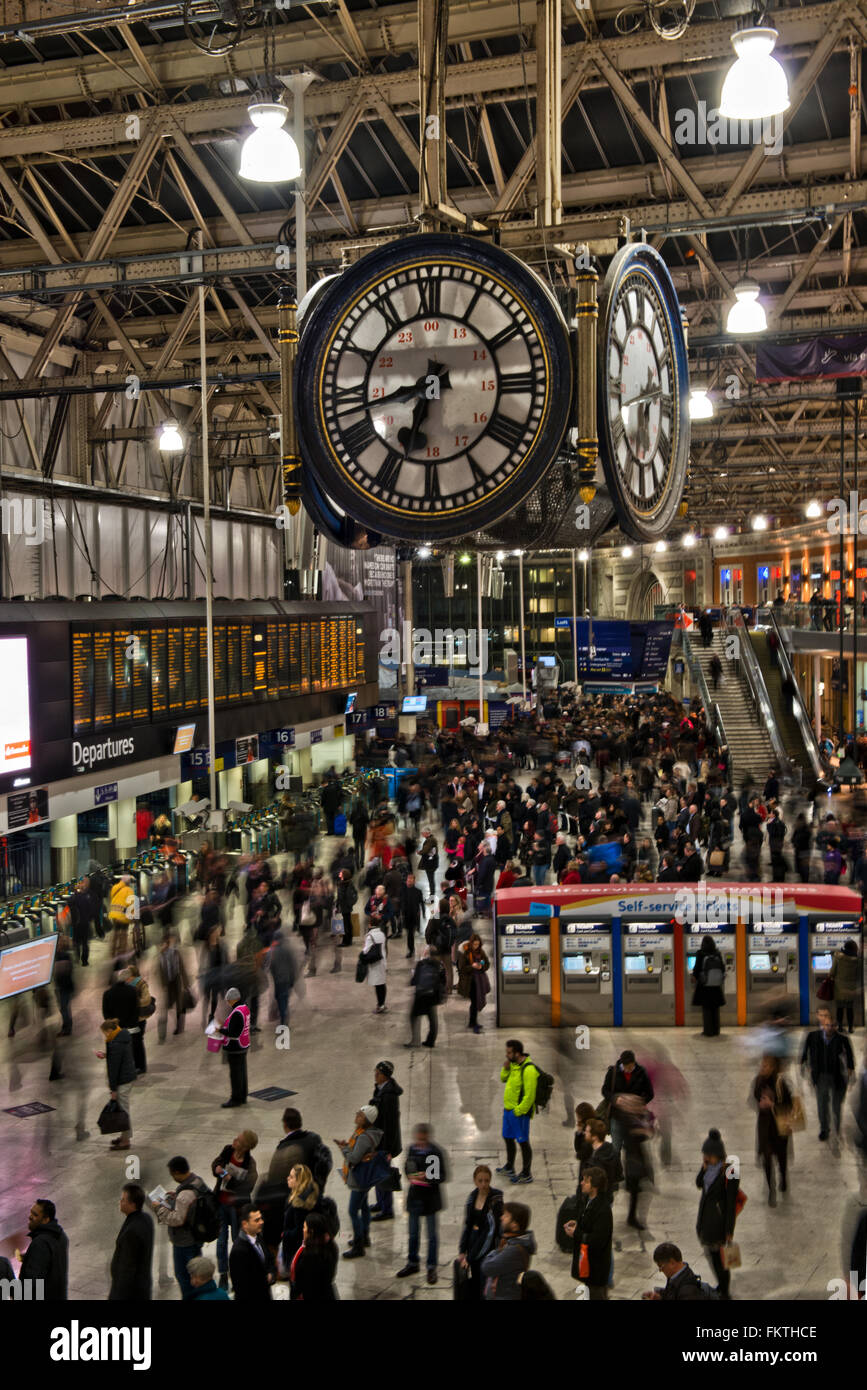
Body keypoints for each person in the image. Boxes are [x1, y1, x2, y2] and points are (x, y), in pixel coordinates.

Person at [397, 1122, 449, 1284]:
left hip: (430, 1199)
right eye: (417, 1138)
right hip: (415, 1198)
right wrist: (412, 1176)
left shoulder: (435, 1152)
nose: (419, 1141)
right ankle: (413, 1263)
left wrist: (427, 1177)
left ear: (427, 1137)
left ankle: (431, 1267)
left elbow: (442, 1176)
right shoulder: (412, 1150)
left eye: (422, 1138)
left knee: (431, 1235)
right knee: (413, 1233)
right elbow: (407, 1168)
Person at [151, 1156, 210, 1301]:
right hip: (197, 1236)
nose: (173, 1177)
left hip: (184, 1242)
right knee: (197, 1273)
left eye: (172, 1174)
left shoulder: (185, 1194)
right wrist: (175, 1196)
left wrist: (159, 1208)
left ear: (177, 1172)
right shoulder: (197, 1181)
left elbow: (177, 1219)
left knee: (185, 1277)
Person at [211, 1129, 259, 1290]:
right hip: (221, 1205)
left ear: (244, 1146)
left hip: (236, 1209)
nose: (234, 1140)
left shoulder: (250, 1164)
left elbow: (247, 1187)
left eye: (238, 1140)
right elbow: (216, 1162)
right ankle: (223, 1275)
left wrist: (230, 1180)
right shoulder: (227, 1150)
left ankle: (237, 1274)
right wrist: (217, 1168)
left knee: (236, 1242)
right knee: (221, 1242)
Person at [800, 1005, 855, 1141]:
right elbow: (805, 1052)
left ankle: (836, 1127)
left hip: (837, 1077)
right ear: (822, 1025)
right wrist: (805, 1064)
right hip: (821, 1076)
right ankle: (824, 1128)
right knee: (822, 1104)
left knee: (836, 1106)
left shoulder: (842, 1039)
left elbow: (850, 1056)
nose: (829, 1027)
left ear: (836, 1026)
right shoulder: (813, 1036)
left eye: (832, 1025)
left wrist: (850, 1070)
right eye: (826, 1024)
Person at [696, 1129, 739, 1300]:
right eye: (705, 1154)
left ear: (718, 1155)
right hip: (706, 1218)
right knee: (714, 1258)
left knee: (721, 1261)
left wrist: (729, 1230)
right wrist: (704, 1168)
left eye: (709, 1155)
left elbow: (731, 1203)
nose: (706, 1158)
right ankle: (721, 1285)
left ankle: (725, 1291)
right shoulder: (708, 1167)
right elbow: (699, 1184)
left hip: (719, 1222)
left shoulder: (731, 1171)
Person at [336, 1104, 383, 1260]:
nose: (357, 1116)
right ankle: (365, 1237)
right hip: (366, 1177)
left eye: (361, 1115)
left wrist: (344, 1149)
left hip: (359, 1179)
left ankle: (358, 1246)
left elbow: (354, 1158)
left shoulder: (363, 1137)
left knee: (352, 1211)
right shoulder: (368, 1133)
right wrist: (348, 1148)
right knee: (363, 1207)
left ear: (367, 1120)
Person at [564, 1167, 613, 1300]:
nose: (581, 1183)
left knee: (596, 1294)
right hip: (588, 1261)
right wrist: (577, 1224)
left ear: (594, 1186)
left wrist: (576, 1233)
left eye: (585, 1181)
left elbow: (597, 1240)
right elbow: (588, 1223)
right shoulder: (588, 1200)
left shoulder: (602, 1209)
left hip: (596, 1265)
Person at [280, 1164, 339, 1273]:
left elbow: (299, 1231)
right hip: (313, 1249)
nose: (288, 1178)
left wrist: (285, 1235)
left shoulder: (299, 1205)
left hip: (298, 1249)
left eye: (291, 1176)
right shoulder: (314, 1196)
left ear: (299, 1181)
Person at [457, 1165, 504, 1300]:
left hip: (488, 1249)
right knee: (476, 1281)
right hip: (473, 1244)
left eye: (486, 1181)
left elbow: (490, 1231)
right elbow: (467, 1224)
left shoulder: (496, 1198)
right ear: (474, 1181)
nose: (483, 1184)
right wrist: (462, 1249)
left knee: (486, 1285)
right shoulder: (472, 1197)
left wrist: (470, 1256)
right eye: (480, 1181)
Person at [751, 1055, 792, 1206]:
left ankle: (783, 1178)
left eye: (766, 1066)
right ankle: (771, 1190)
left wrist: (772, 1105)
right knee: (767, 1158)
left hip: (779, 1128)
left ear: (773, 1067)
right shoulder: (758, 1081)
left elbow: (789, 1105)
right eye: (762, 1066)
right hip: (764, 1127)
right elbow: (755, 1097)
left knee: (781, 1158)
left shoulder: (781, 1083)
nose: (763, 1069)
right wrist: (760, 1102)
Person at [497, 1039, 539, 1185]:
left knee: (523, 1142)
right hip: (508, 1110)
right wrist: (506, 1068)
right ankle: (510, 1166)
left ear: (517, 1053)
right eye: (507, 1052)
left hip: (519, 1114)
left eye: (509, 1052)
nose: (507, 1055)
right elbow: (503, 1079)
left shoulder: (529, 1070)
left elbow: (530, 1096)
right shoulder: (513, 1065)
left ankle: (526, 1173)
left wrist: (518, 1111)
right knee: (507, 1137)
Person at [601, 1049, 654, 1160]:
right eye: (626, 1068)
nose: (628, 1070)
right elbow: (605, 1090)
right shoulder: (613, 1072)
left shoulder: (641, 1073)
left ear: (634, 1063)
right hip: (617, 1115)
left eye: (630, 1067)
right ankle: (616, 1172)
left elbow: (650, 1093)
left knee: (633, 1148)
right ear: (622, 1064)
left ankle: (632, 1173)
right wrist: (615, 1099)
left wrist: (638, 1102)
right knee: (616, 1147)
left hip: (634, 1117)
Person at [481, 1202, 536, 1300]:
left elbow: (487, 1267)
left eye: (506, 1216)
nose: (501, 1218)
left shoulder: (514, 1250)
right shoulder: (512, 1241)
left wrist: (495, 1252)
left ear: (514, 1225)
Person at [370, 1060, 403, 1223]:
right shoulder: (380, 1089)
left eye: (377, 1073)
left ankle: (387, 1209)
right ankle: (380, 1203)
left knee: (383, 1174)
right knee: (378, 1173)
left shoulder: (389, 1095)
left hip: (384, 1144)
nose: (375, 1076)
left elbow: (390, 1125)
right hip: (378, 1140)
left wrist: (388, 1150)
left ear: (385, 1076)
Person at [108, 1183, 154, 1301]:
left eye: (123, 1200)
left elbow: (127, 1268)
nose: (120, 1202)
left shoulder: (132, 1231)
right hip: (142, 1287)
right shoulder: (146, 1219)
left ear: (132, 1204)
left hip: (130, 1293)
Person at [96, 1017, 136, 1151]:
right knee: (123, 1109)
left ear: (109, 1030)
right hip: (127, 1076)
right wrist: (107, 1055)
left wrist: (113, 1090)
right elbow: (118, 1057)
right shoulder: (121, 1036)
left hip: (122, 1080)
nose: (105, 1036)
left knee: (123, 1111)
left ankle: (125, 1141)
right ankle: (124, 1136)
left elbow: (114, 1069)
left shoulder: (116, 1043)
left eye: (105, 1033)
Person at [19, 1198, 68, 1301]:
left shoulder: (40, 1243)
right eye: (31, 1213)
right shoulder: (61, 1235)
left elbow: (31, 1282)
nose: (30, 1217)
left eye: (35, 1215)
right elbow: (51, 1261)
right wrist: (29, 1258)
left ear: (46, 1219)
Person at [289, 1211, 339, 1301]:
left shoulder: (310, 1256)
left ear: (311, 1232)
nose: (303, 1230)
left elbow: (305, 1284)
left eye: (304, 1227)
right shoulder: (329, 1246)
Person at [229, 1204, 273, 1300]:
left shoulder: (259, 1238)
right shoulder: (239, 1251)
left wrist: (270, 1272)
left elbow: (268, 1259)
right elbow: (241, 1285)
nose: (261, 1222)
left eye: (261, 1218)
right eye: (256, 1220)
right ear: (245, 1224)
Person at [405, 950, 446, 1049]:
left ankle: (415, 1041)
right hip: (432, 996)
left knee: (414, 1016)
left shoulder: (421, 964)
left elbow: (414, 980)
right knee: (433, 1019)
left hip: (421, 995)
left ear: (429, 954)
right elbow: (443, 983)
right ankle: (430, 1041)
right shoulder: (440, 967)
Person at [643, 1242, 713, 1300]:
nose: (661, 1271)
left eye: (661, 1267)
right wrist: (659, 1297)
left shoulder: (687, 1291)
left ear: (672, 1263)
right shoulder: (675, 1276)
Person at [217, 986, 250, 1108]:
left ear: (233, 999)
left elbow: (234, 1033)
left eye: (228, 1000)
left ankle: (236, 1099)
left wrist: (220, 1030)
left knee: (235, 1074)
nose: (227, 1003)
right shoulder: (244, 1008)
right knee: (242, 1072)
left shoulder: (236, 1012)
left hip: (236, 1048)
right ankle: (243, 1096)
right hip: (244, 1045)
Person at [692, 933, 726, 1037]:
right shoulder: (717, 953)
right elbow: (723, 968)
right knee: (715, 1008)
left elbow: (697, 968)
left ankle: (708, 1031)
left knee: (706, 1009)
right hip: (716, 986)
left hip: (705, 985)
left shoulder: (700, 953)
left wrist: (695, 977)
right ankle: (716, 1030)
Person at [457, 932, 491, 1034]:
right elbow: (461, 968)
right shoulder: (466, 953)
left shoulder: (481, 952)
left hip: (479, 981)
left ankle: (472, 1022)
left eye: (478, 944)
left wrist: (482, 966)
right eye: (474, 944)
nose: (476, 946)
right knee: (475, 1002)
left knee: (475, 1002)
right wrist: (472, 967)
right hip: (470, 982)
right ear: (471, 943)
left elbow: (486, 963)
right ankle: (473, 1023)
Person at [829, 938, 860, 1034]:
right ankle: (850, 1028)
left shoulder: (838, 957)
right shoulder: (857, 960)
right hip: (851, 987)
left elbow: (832, 972)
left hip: (839, 987)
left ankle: (840, 1027)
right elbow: (858, 974)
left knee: (840, 1008)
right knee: (850, 1008)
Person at [361, 908, 389, 1015]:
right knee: (382, 984)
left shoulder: (369, 936)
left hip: (375, 964)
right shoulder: (382, 934)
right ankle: (382, 1004)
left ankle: (380, 1005)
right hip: (382, 962)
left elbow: (366, 951)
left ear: (370, 923)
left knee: (378, 986)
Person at [402, 872, 425, 958]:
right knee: (409, 934)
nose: (409, 881)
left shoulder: (418, 891)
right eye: (408, 879)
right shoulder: (403, 890)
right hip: (406, 916)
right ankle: (411, 950)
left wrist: (423, 913)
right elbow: (401, 902)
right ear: (406, 880)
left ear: (414, 881)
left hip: (415, 916)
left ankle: (411, 950)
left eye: (411, 879)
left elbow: (421, 902)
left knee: (411, 933)